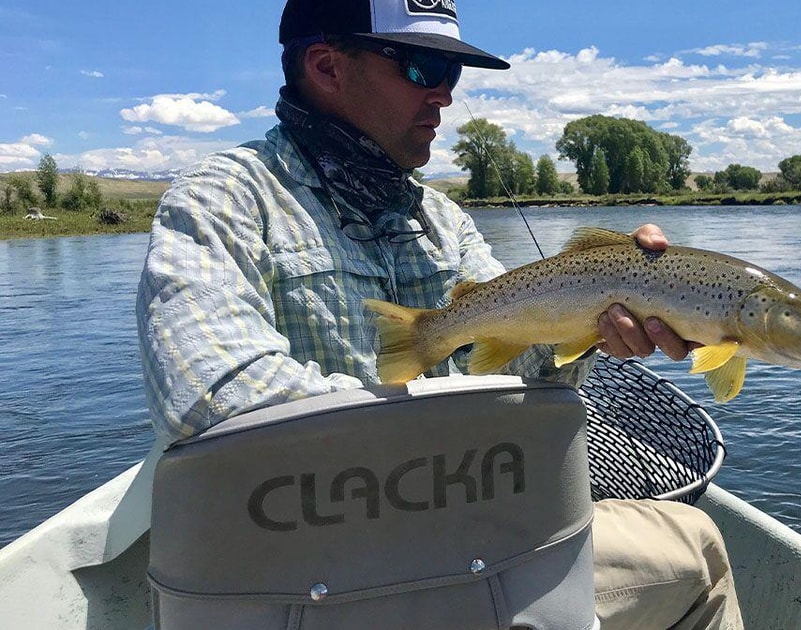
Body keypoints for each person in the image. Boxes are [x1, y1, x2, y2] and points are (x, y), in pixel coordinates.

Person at [135, 1, 743, 628]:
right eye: (426, 69)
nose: (446, 98)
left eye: (455, 75)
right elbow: (210, 396)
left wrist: (593, 317)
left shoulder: (445, 220)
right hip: (306, 575)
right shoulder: (221, 197)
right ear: (326, 65)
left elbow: (530, 382)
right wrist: (429, 428)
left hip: (476, 544)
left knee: (696, 542)